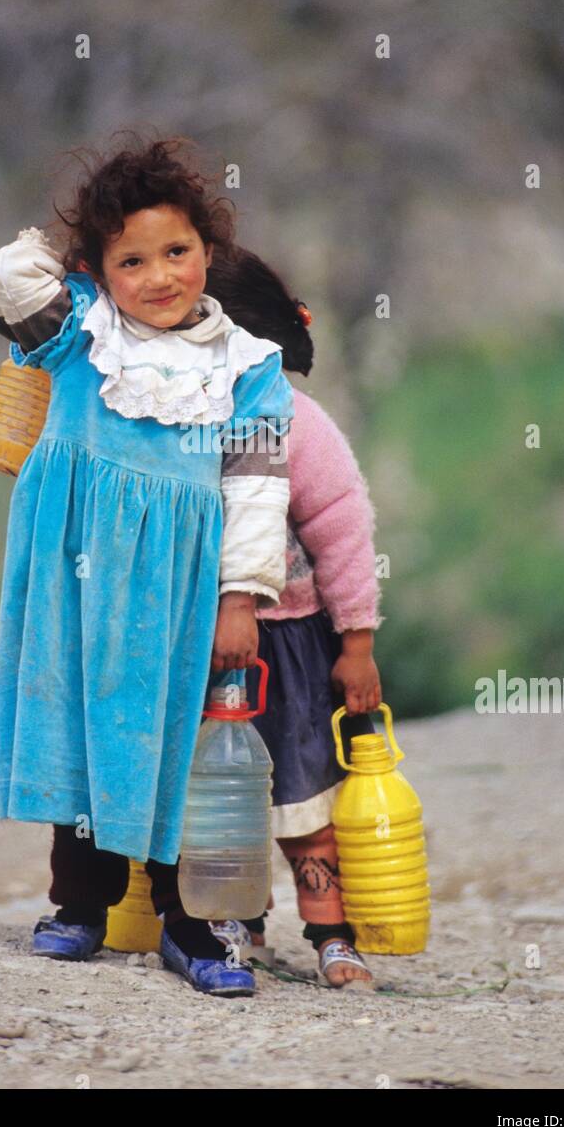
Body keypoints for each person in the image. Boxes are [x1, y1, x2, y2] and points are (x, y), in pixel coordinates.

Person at [0, 134, 293, 997]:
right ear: (97, 267)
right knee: (80, 718)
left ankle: (192, 930)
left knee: (177, 741)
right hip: (75, 563)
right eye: (132, 259)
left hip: (180, 585)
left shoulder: (249, 367)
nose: (160, 276)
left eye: (177, 251)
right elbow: (2, 284)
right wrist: (65, 251)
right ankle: (78, 906)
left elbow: (259, 490)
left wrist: (242, 598)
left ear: (209, 251)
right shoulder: (81, 331)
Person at [204, 247, 384, 987]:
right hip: (196, 645)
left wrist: (358, 643)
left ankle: (331, 932)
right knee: (216, 793)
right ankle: (230, 920)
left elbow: (343, 529)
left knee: (303, 790)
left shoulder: (296, 423)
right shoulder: (158, 415)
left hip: (290, 641)